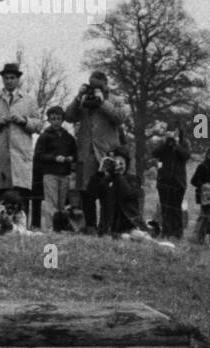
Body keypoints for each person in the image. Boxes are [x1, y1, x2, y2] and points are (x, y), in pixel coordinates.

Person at [0, 62, 43, 220]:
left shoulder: (28, 100)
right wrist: (0, 121)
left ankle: (21, 226)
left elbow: (39, 124)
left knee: (21, 194)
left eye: (12, 78)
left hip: (21, 155)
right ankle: (0, 225)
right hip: (1, 154)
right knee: (1, 194)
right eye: (6, 78)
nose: (9, 81)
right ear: (2, 79)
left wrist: (23, 121)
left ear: (18, 79)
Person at [64, 71, 124, 233]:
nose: (95, 89)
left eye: (98, 86)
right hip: (85, 153)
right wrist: (78, 97)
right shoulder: (84, 100)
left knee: (108, 192)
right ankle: (90, 226)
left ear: (105, 84)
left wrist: (102, 102)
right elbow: (68, 116)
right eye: (92, 85)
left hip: (107, 153)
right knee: (85, 192)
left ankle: (105, 227)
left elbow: (120, 117)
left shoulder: (115, 99)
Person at [86, 146, 145, 238]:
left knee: (139, 236)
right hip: (109, 228)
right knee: (124, 238)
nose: (118, 166)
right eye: (115, 163)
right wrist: (99, 173)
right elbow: (90, 195)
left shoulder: (133, 180)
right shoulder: (104, 181)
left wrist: (117, 176)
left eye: (121, 163)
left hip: (129, 224)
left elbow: (128, 194)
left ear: (127, 164)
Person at [34, 105, 77, 229]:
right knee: (51, 203)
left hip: (64, 174)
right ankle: (49, 228)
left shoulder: (68, 137)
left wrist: (71, 158)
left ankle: (59, 228)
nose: (56, 121)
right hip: (50, 174)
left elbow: (75, 153)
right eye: (53, 119)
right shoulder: (44, 136)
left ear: (62, 119)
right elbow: (39, 155)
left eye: (58, 118)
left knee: (61, 204)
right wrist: (54, 158)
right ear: (49, 120)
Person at [150, 125, 190, 239]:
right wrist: (165, 143)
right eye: (171, 132)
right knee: (165, 208)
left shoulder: (184, 143)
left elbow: (186, 156)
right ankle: (166, 232)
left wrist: (176, 144)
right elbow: (154, 153)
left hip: (178, 182)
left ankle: (177, 233)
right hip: (164, 181)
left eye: (175, 132)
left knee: (177, 208)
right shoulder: (164, 144)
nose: (173, 135)